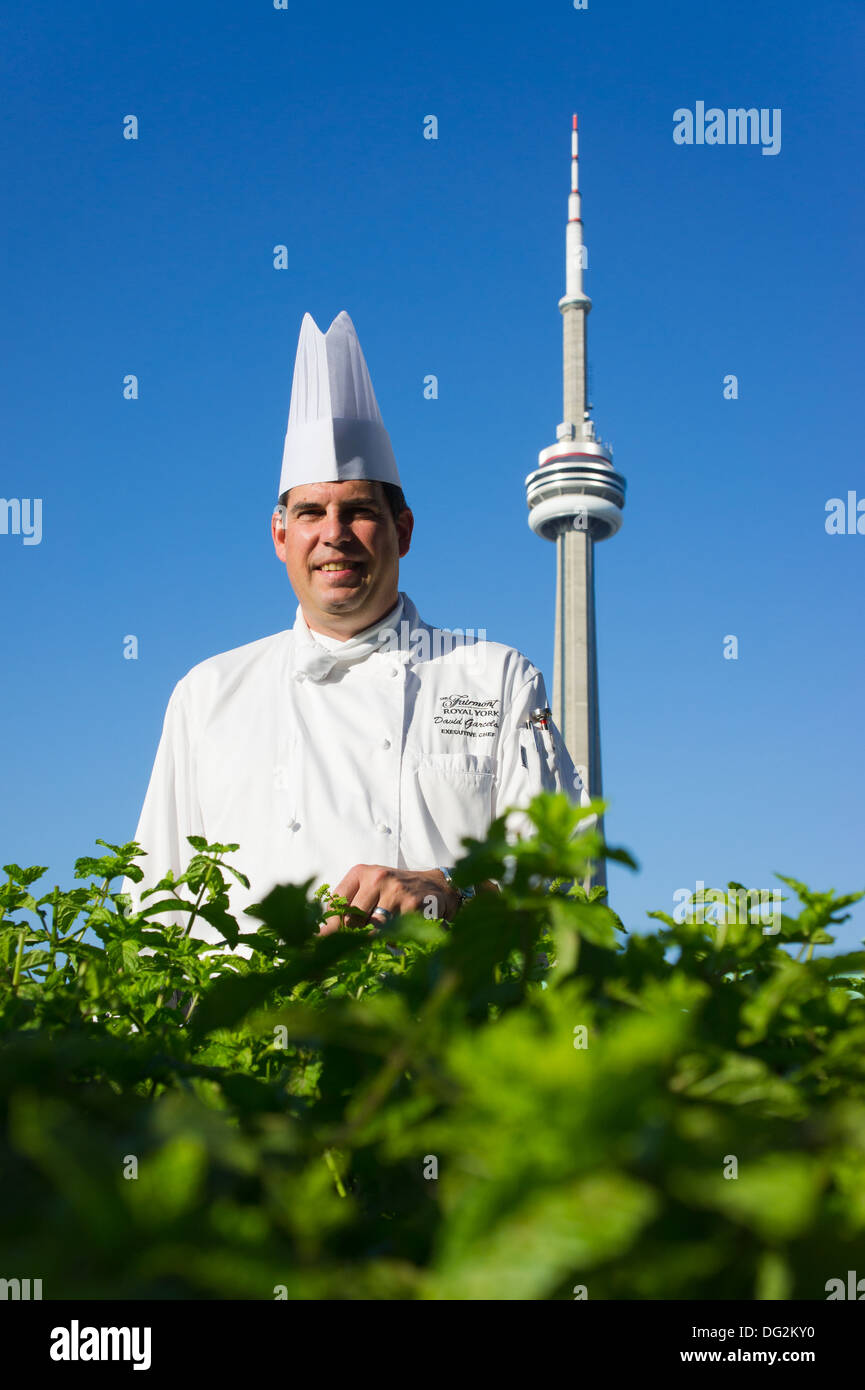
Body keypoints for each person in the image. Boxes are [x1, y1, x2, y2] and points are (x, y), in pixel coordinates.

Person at [121, 312, 589, 950]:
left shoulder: (498, 678)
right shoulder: (207, 696)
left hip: (438, 1038)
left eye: (360, 510)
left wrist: (449, 890)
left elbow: (562, 879)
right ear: (281, 535)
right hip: (247, 1043)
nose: (334, 535)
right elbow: (155, 920)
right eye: (311, 511)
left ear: (404, 530)